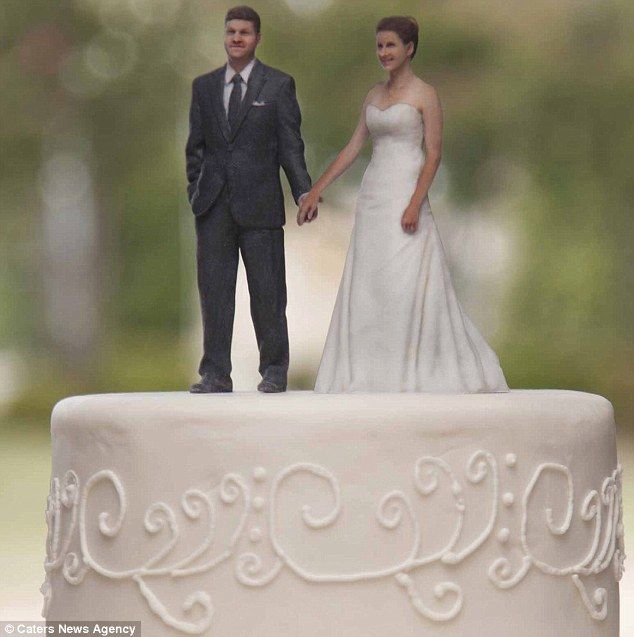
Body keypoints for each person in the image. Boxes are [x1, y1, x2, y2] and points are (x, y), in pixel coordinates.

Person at [299, 16, 509, 393]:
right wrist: (317, 190)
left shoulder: (425, 94)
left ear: (409, 48)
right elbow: (353, 147)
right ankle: (369, 373)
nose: (384, 52)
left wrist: (415, 203)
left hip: (406, 193)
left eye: (391, 45)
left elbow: (434, 154)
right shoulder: (373, 95)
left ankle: (413, 369)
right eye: (380, 46)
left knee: (406, 282)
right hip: (374, 195)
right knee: (371, 282)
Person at [186, 5, 313, 393]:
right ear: (225, 36)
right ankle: (215, 372)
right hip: (213, 206)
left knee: (268, 291)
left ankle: (274, 368)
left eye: (244, 32)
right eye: (231, 32)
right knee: (215, 292)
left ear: (257, 38)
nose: (237, 38)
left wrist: (303, 190)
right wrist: (196, 192)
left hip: (261, 205)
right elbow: (195, 147)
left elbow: (290, 145)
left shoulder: (278, 85)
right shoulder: (204, 87)